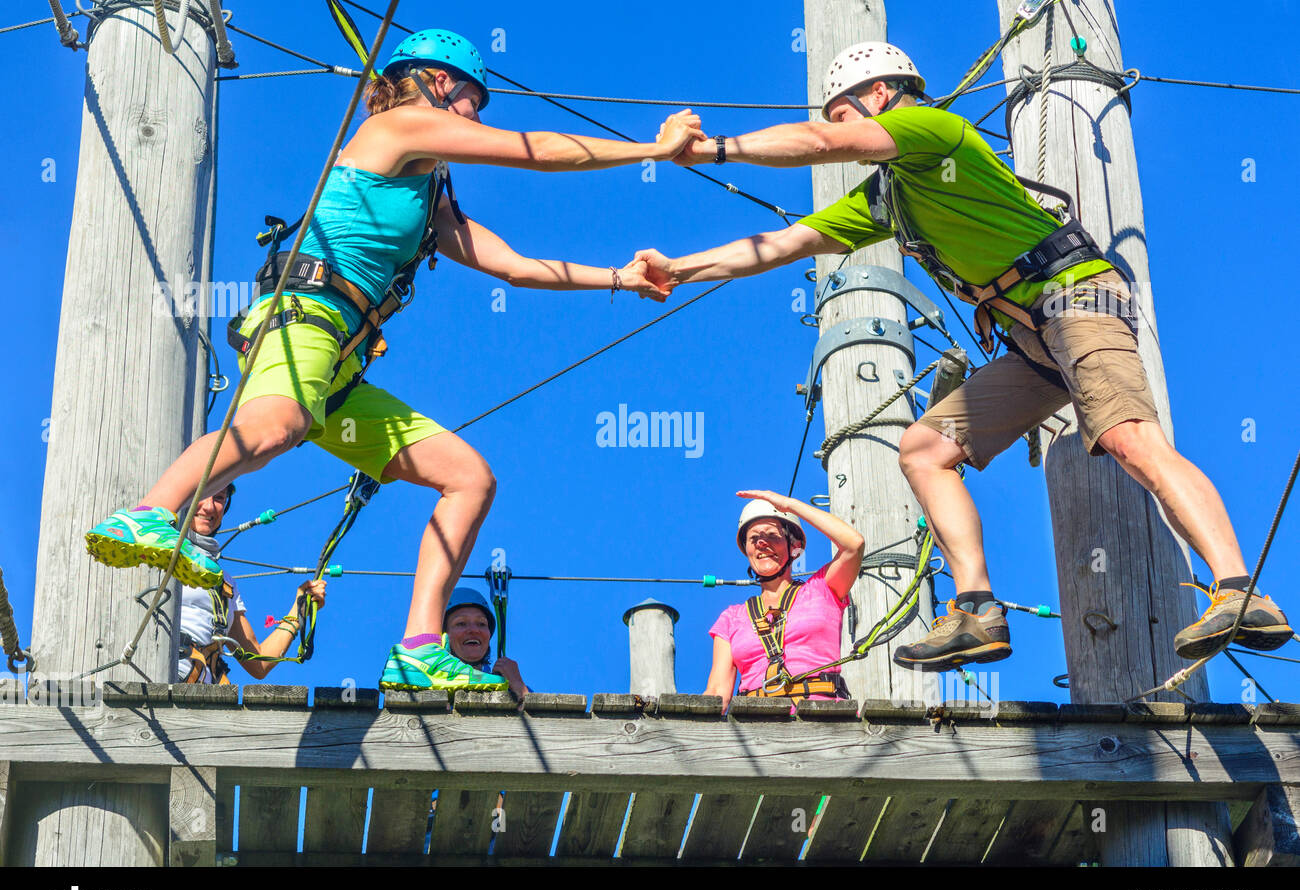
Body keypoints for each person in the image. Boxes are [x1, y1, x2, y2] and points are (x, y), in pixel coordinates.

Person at [635, 42, 1291, 673]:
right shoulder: (889, 197)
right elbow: (781, 245)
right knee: (924, 448)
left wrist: (715, 148)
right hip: (1032, 339)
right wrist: (678, 269)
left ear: (880, 95)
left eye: (841, 112)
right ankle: (977, 608)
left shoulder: (930, 131)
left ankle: (1241, 592)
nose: (839, 131)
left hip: (1076, 295)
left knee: (1128, 438)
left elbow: (822, 142)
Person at [84, 29, 706, 691]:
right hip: (306, 319)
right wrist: (653, 149)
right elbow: (535, 152)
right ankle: (151, 512)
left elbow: (517, 268)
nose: (476, 118)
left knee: (468, 478)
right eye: (474, 102)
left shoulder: (429, 193)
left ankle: (417, 644)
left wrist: (619, 278)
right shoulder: (400, 126)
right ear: (441, 82)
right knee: (277, 425)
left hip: (341, 370)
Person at [705, 491, 864, 709]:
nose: (761, 543)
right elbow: (717, 693)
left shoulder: (822, 589)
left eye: (771, 535)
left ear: (794, 546)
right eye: (753, 539)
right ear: (748, 551)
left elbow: (853, 545)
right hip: (756, 725)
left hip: (822, 719)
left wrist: (789, 505)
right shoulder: (731, 618)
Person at [176, 484, 326, 683]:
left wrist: (299, 609)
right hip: (151, 680)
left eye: (219, 498)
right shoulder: (155, 554)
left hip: (196, 698)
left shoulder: (224, 585)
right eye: (202, 495)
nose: (210, 507)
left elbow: (258, 663)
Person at [383, 586, 529, 697]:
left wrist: (519, 686)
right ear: (442, 635)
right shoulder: (422, 682)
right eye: (461, 624)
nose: (474, 630)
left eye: (482, 624)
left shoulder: (504, 685)